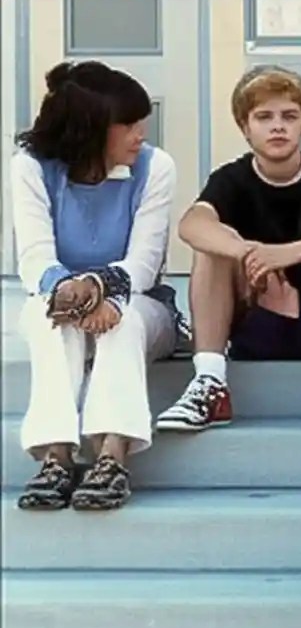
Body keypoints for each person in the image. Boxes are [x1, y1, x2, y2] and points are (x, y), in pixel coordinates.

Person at [155, 64, 301, 433]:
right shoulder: (231, 178)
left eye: (289, 116)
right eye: (264, 117)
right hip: (254, 320)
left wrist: (287, 254)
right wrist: (248, 253)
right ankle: (210, 384)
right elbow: (191, 225)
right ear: (246, 128)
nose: (277, 126)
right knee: (212, 245)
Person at [11, 60, 179, 511]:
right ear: (88, 128)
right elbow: (34, 258)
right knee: (49, 321)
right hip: (59, 298)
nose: (140, 133)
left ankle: (112, 457)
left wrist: (101, 288)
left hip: (139, 302)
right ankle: (56, 456)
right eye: (126, 124)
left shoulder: (154, 167)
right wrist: (71, 294)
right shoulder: (31, 167)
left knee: (121, 323)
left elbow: (143, 264)